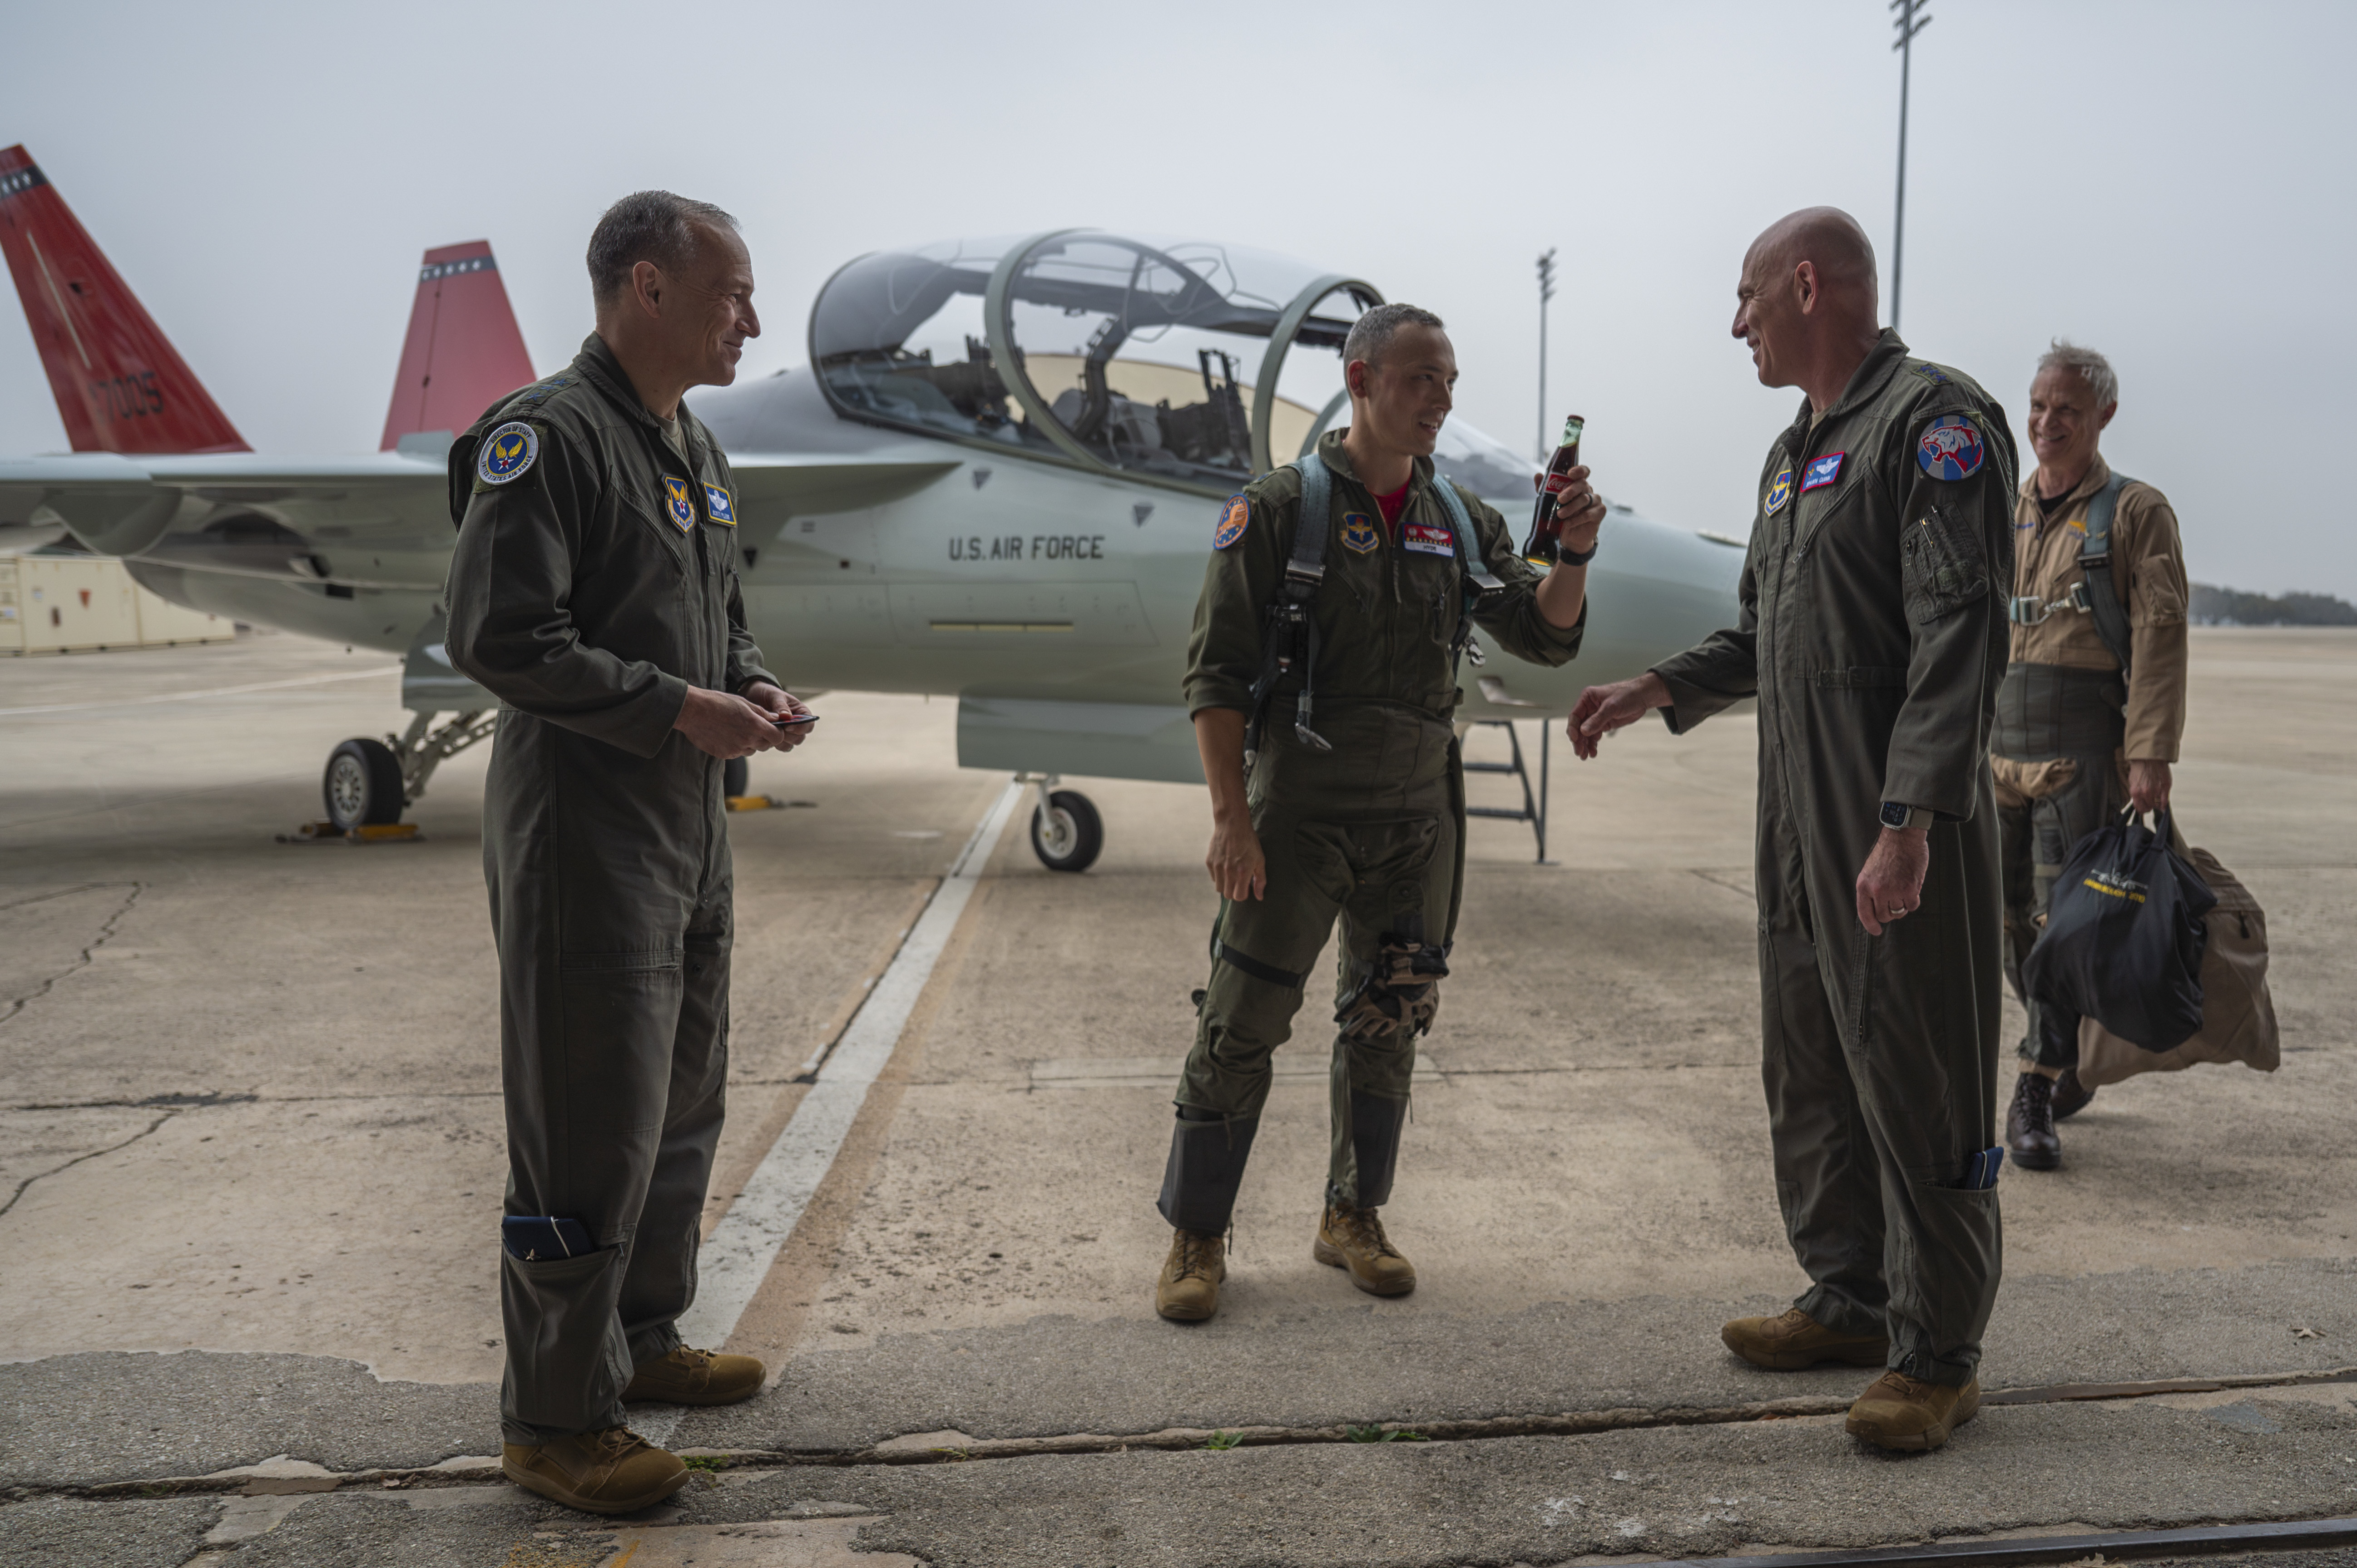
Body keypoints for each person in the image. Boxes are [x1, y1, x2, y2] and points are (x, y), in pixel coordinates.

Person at [1568, 208, 2017, 1452]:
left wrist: (1907, 820)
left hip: (1886, 824)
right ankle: (1849, 1296)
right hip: (1792, 822)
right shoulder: (1790, 454)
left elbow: (1957, 639)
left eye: (1746, 297)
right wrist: (1653, 687)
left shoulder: (1931, 425)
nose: (1734, 323)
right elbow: (1764, 632)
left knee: (1914, 1069)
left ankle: (1938, 1352)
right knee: (1811, 1057)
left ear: (1805, 285)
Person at [445, 191, 813, 1515]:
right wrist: (680, 707)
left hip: (685, 829)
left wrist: (753, 691)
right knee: (587, 1122)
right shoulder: (547, 439)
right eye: (732, 296)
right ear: (646, 290)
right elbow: (497, 636)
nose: (751, 321)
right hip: (584, 839)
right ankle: (553, 1417)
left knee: (677, 1101)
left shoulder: (693, 447)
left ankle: (645, 1338)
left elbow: (720, 619)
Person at [1152, 302, 1595, 1323]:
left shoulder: (1457, 517)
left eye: (1448, 380)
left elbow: (1543, 635)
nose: (1440, 399)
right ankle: (1196, 1233)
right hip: (1300, 815)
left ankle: (1352, 1213)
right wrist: (1231, 817)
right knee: (1241, 1022)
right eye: (1419, 380)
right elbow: (1215, 674)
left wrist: (1572, 554)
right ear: (1360, 382)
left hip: (1417, 817)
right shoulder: (1278, 508)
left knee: (1390, 1016)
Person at [1995, 342, 2189, 1171]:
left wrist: (2147, 752)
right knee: (2005, 922)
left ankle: (2037, 1079)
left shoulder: (2134, 511)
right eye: (2037, 405)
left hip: (2080, 749)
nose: (2046, 422)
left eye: (2065, 409)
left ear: (2102, 415)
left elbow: (2160, 632)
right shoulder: (2003, 510)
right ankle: (2064, 1049)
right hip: (1993, 747)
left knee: (2059, 926)